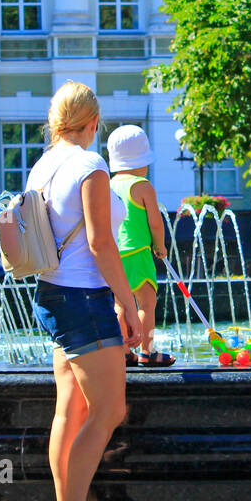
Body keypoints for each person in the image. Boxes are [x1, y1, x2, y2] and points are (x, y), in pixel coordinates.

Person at [27, 82, 143, 501]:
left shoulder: (42, 166)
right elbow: (100, 243)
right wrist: (128, 303)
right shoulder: (90, 165)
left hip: (53, 294)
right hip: (85, 299)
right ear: (95, 123)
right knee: (109, 410)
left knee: (70, 411)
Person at [107, 125, 173, 367]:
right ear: (143, 160)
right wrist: (160, 245)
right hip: (138, 252)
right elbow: (155, 222)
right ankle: (147, 351)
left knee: (121, 303)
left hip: (113, 255)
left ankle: (125, 352)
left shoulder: (108, 185)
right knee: (147, 303)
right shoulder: (142, 185)